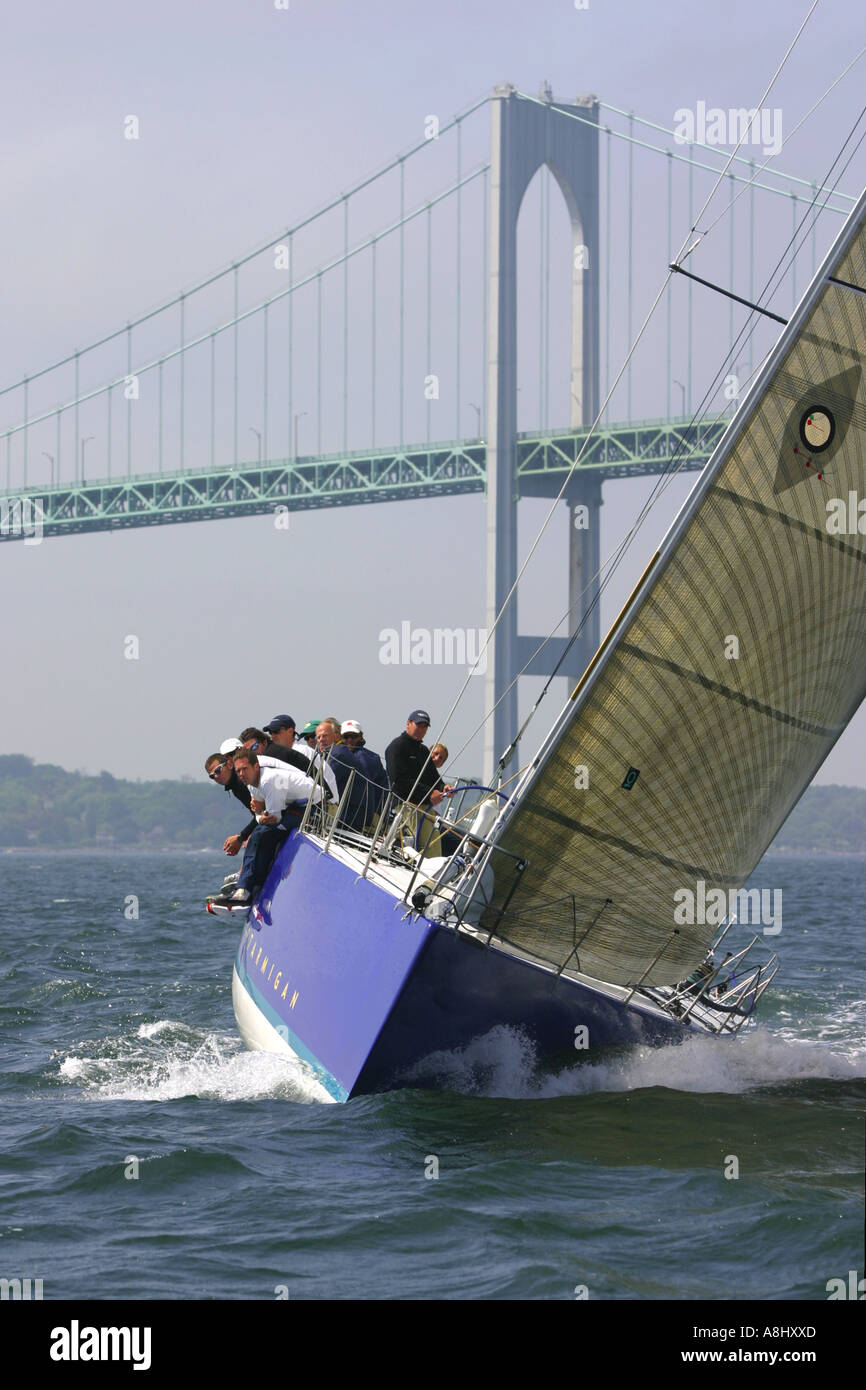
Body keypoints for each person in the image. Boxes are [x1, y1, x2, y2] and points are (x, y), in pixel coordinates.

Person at [213, 748, 322, 905]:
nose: (241, 774)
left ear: (256, 767)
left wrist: (261, 817)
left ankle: (246, 888)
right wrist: (261, 817)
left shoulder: (269, 780)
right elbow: (259, 814)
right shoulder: (251, 784)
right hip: (293, 807)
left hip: (313, 808)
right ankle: (248, 886)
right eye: (238, 771)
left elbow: (273, 818)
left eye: (245, 769)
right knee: (261, 833)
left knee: (262, 834)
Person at [385, 709, 445, 857]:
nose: (421, 729)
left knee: (435, 841)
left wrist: (444, 787)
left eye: (425, 726)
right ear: (408, 724)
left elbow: (434, 777)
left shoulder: (423, 751)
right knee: (430, 847)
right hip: (406, 805)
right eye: (418, 725)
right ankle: (428, 879)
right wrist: (430, 793)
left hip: (423, 806)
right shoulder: (397, 747)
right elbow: (399, 781)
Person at [328, 719, 390, 831]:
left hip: (369, 816)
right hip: (353, 813)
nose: (349, 740)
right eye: (346, 737)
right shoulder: (342, 756)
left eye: (353, 736)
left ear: (361, 737)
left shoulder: (367, 758)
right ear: (340, 738)